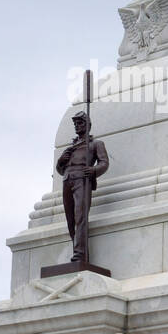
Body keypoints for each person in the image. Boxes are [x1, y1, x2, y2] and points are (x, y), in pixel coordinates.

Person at [56, 111, 109, 263]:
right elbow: (60, 170)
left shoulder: (95, 144)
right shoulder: (70, 147)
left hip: (82, 180)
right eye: (75, 124)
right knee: (70, 219)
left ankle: (80, 253)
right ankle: (77, 249)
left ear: (88, 125)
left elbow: (104, 163)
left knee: (81, 217)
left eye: (80, 123)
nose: (77, 126)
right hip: (67, 180)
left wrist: (93, 170)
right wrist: (60, 161)